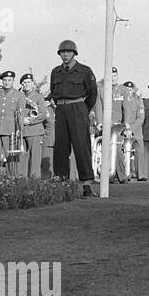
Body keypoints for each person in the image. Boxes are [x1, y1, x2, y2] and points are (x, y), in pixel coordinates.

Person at [50, 39, 98, 196]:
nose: (65, 55)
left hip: (77, 108)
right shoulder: (55, 72)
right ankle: (61, 182)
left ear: (74, 53)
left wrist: (83, 110)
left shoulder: (84, 71)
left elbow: (92, 94)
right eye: (62, 52)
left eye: (68, 52)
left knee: (81, 146)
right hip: (61, 109)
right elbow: (53, 91)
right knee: (60, 147)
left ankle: (87, 184)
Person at [0, 70, 23, 176]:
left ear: (13, 81)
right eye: (5, 80)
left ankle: (13, 179)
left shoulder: (19, 94)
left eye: (9, 80)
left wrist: (20, 129)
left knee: (11, 156)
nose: (7, 82)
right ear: (2, 81)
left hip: (10, 130)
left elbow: (21, 113)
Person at [17, 74, 48, 179]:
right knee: (22, 159)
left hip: (34, 131)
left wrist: (30, 121)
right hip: (21, 130)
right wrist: (22, 121)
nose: (26, 85)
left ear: (33, 84)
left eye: (29, 82)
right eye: (24, 83)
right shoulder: (18, 96)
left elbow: (43, 114)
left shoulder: (38, 96)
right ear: (21, 84)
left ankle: (34, 182)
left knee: (34, 158)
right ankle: (23, 181)